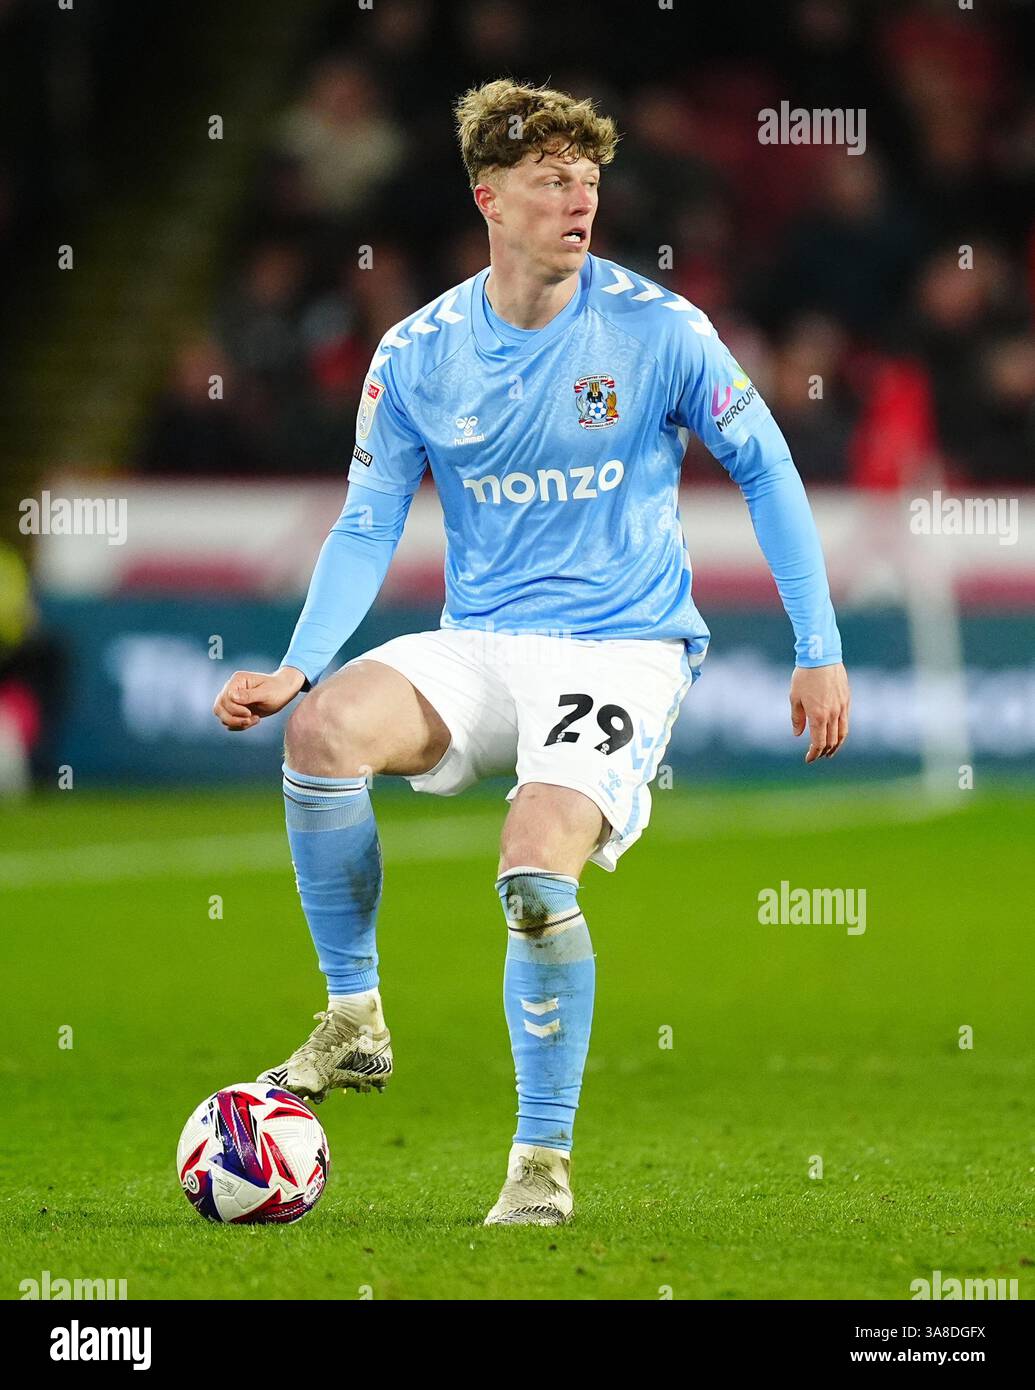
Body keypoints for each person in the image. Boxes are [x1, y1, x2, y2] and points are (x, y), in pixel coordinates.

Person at [213, 79, 850, 1226]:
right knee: (321, 732)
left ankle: (540, 1164)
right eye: (553, 179)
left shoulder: (661, 330)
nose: (579, 200)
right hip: (486, 642)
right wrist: (299, 666)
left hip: (624, 650)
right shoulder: (417, 354)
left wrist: (820, 644)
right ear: (489, 198)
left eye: (590, 181)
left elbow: (768, 468)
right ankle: (354, 1018)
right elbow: (367, 522)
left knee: (531, 865)